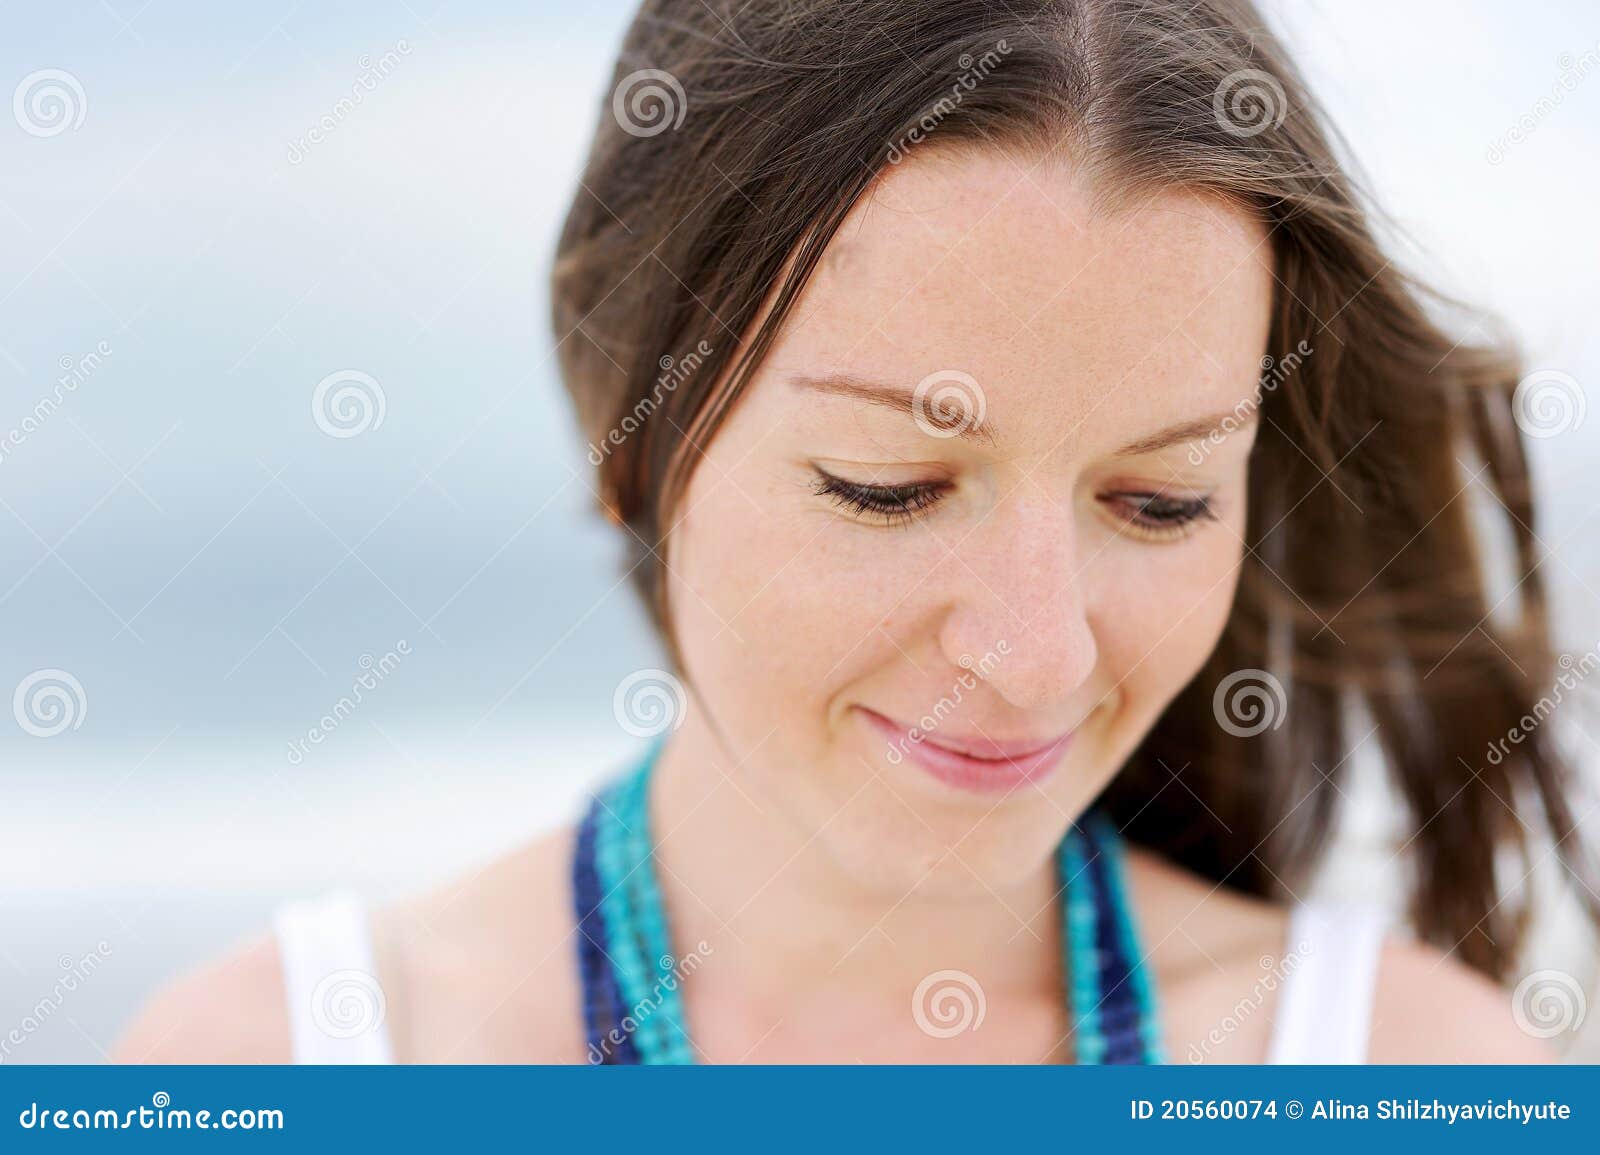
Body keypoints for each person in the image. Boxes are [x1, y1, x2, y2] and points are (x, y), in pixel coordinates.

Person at [114, 0, 1594, 1064]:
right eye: (888, 486)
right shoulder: (276, 1066)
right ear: (630, 440)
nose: (1035, 654)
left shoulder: (1407, 1078)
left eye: (1161, 502)